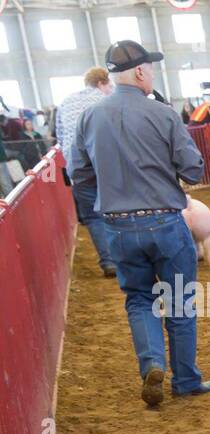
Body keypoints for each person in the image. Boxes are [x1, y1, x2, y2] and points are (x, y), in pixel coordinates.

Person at [68, 39, 210, 407]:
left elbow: (78, 175)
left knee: (139, 300)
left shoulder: (89, 117)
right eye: (151, 68)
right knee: (180, 303)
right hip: (164, 221)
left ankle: (151, 362)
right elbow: (194, 170)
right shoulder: (162, 114)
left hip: (117, 225)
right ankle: (185, 379)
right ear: (140, 71)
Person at [56, 67, 116, 277]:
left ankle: (109, 262)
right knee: (117, 209)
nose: (111, 88)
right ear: (102, 83)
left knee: (93, 216)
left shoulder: (66, 102)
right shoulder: (108, 100)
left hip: (77, 167)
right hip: (105, 163)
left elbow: (61, 137)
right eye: (109, 84)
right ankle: (126, 257)